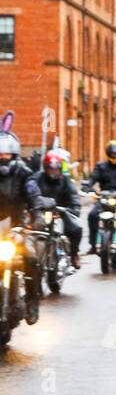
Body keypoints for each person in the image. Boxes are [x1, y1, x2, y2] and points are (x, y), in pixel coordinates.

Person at [0, 133, 45, 323]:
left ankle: (32, 300)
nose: (3, 158)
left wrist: (38, 215)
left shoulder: (23, 173)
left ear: (15, 155)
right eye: (0, 154)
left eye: (7, 155)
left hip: (16, 228)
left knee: (31, 258)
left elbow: (34, 195)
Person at [34, 150, 82, 268]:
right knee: (30, 232)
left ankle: (74, 254)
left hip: (60, 212)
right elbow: (30, 191)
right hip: (41, 211)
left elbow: (73, 195)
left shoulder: (65, 179)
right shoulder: (38, 177)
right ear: (45, 168)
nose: (53, 172)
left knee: (76, 229)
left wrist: (75, 208)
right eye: (50, 169)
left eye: (56, 169)